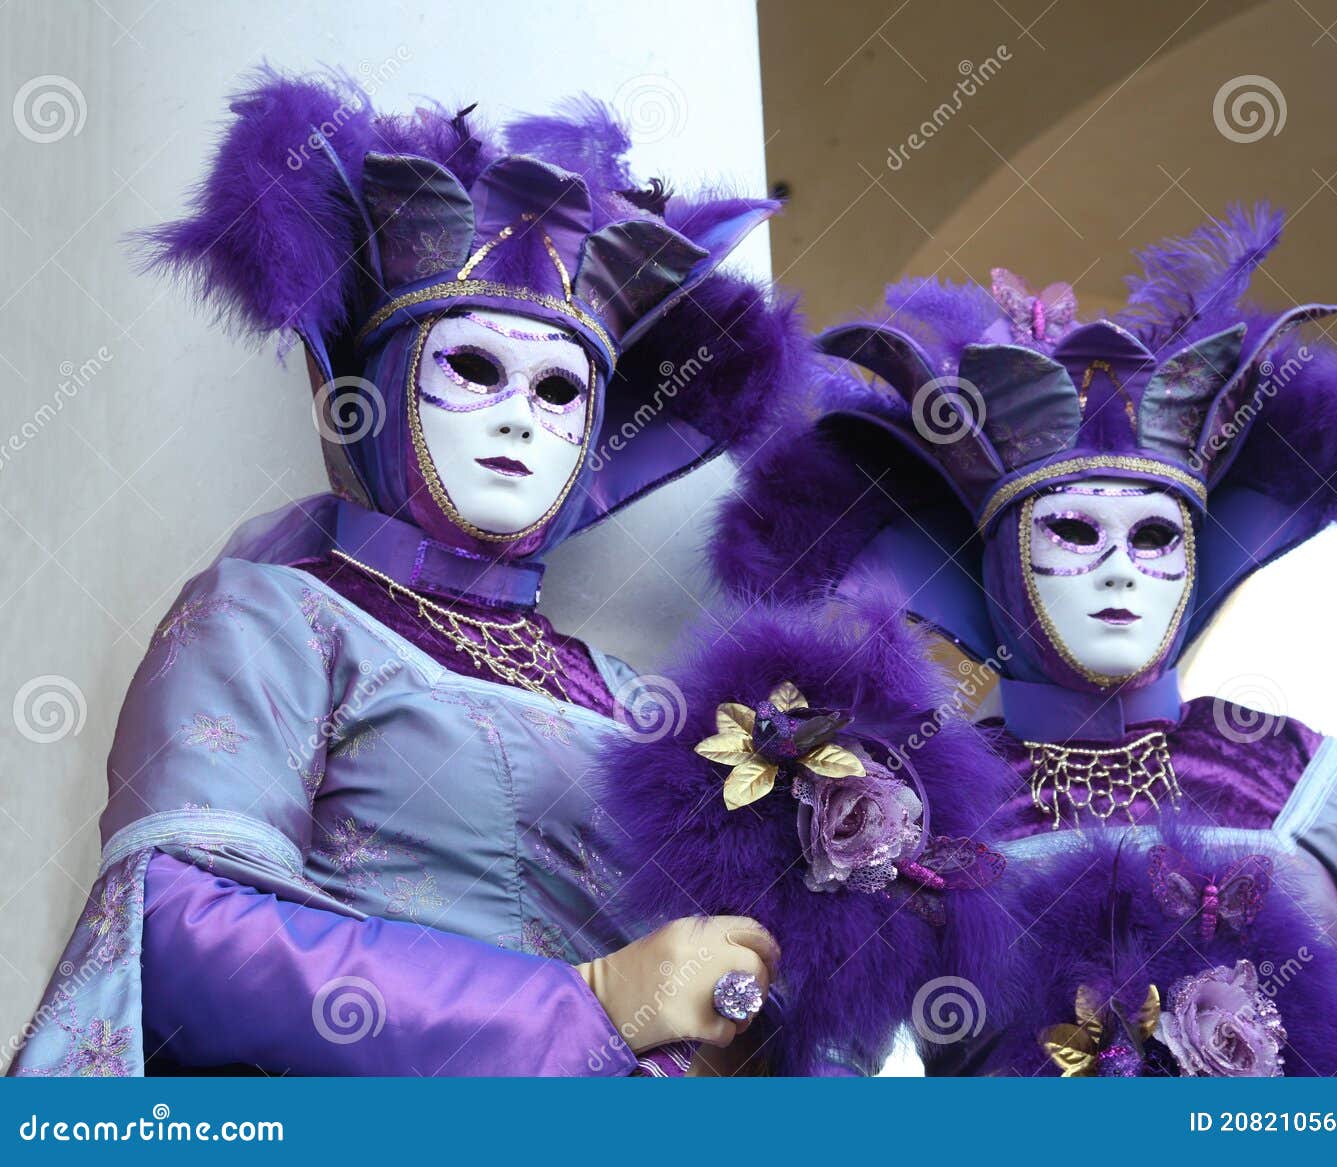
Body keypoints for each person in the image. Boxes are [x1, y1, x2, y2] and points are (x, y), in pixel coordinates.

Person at [8, 69, 801, 1077]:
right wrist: (583, 1006)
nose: (517, 416)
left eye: (559, 389)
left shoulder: (639, 698)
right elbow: (172, 931)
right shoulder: (276, 617)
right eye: (473, 369)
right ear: (379, 391)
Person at [709, 207, 1337, 1076]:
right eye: (1070, 530)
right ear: (999, 565)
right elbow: (818, 1060)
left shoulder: (1303, 778)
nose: (1118, 571)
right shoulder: (915, 808)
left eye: (1153, 537)